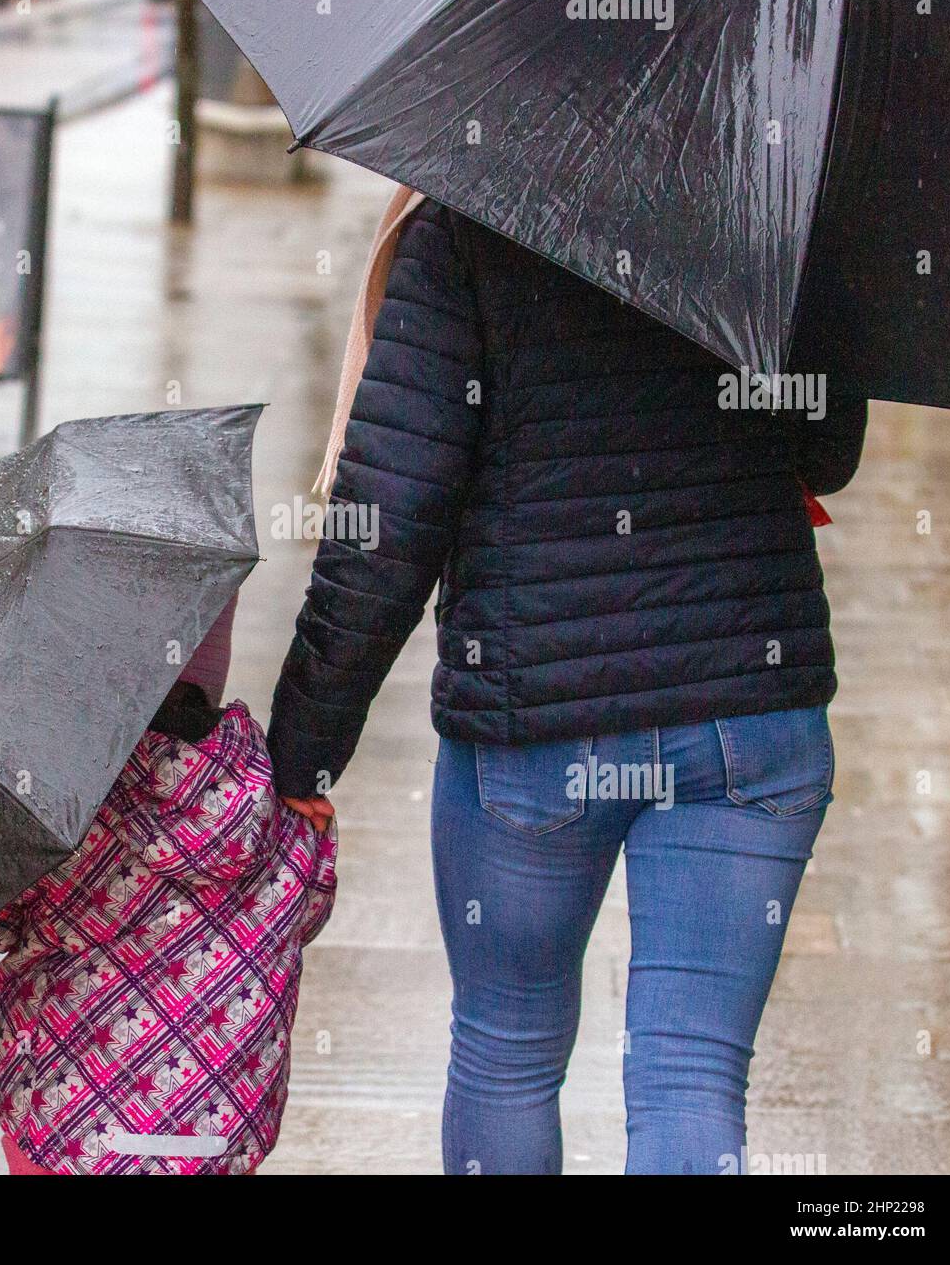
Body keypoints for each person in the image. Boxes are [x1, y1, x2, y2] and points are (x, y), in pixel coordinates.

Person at [268, 186, 869, 1175]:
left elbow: (390, 514)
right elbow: (826, 448)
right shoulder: (776, 202)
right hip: (746, 708)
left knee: (505, 1051)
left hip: (535, 722)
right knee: (692, 1074)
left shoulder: (463, 218)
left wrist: (303, 750)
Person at [0, 596, 336, 1175]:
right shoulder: (270, 799)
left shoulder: (58, 802)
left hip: (64, 1125)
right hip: (215, 1128)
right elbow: (307, 909)